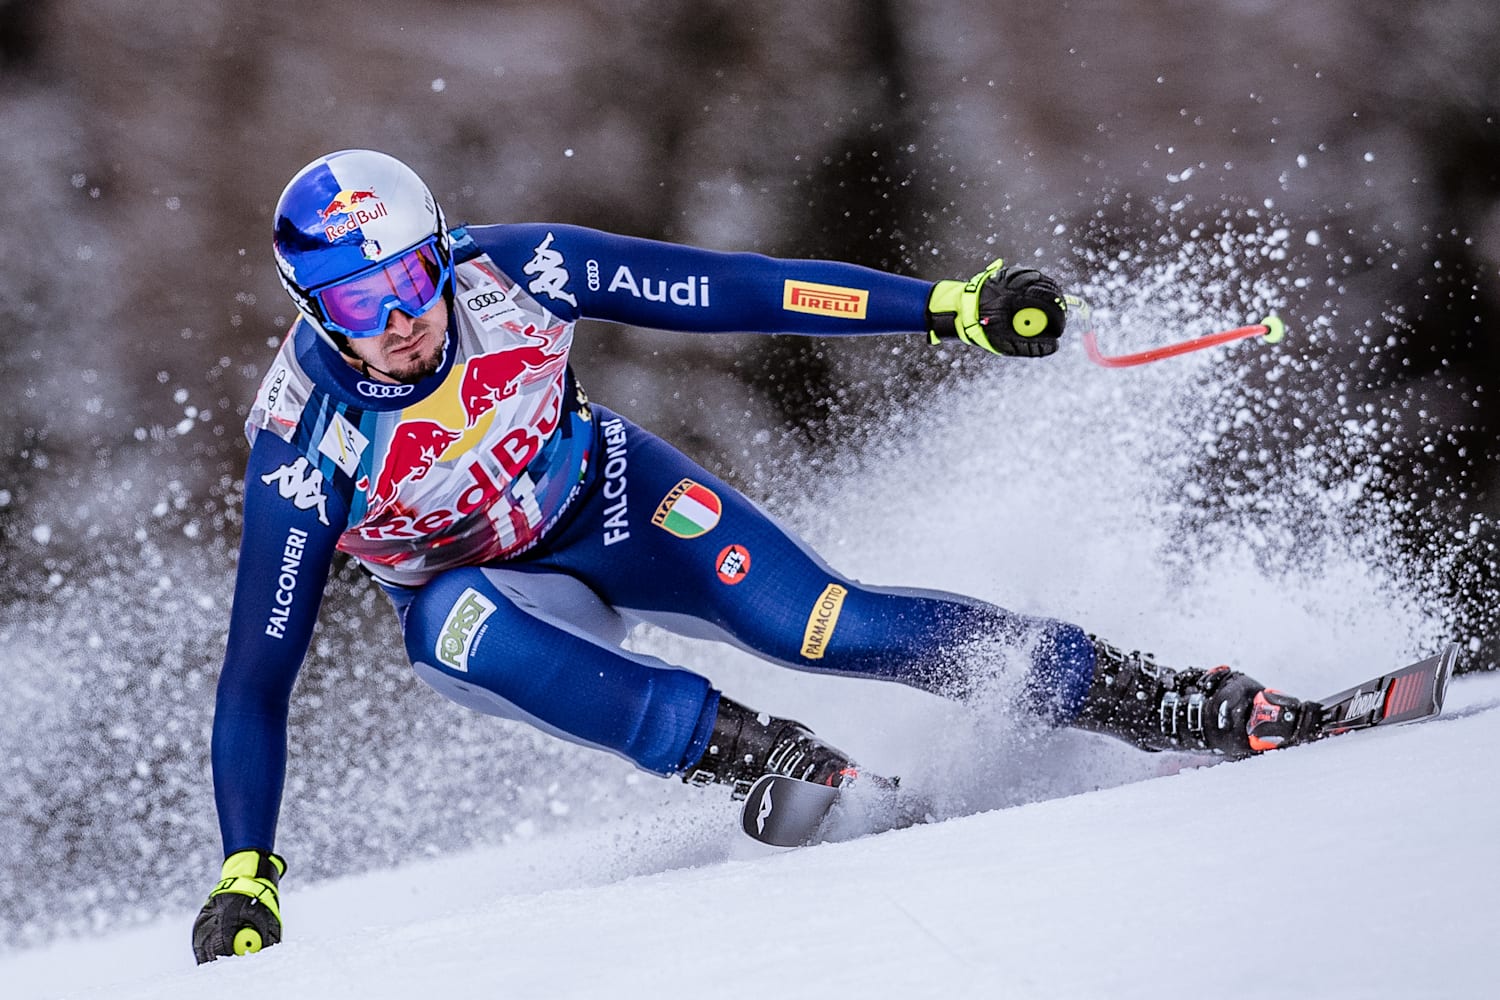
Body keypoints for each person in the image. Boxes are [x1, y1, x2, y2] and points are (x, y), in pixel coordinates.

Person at [191, 149, 1317, 963]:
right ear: (314, 310)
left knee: (822, 621)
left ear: (442, 253)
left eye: (408, 279)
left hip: (612, 501)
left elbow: (737, 288)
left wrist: (948, 307)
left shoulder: (520, 270)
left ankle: (1155, 695)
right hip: (500, 597)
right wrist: (247, 870)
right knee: (447, 629)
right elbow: (257, 675)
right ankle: (759, 756)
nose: (398, 320)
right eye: (357, 300)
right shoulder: (305, 444)